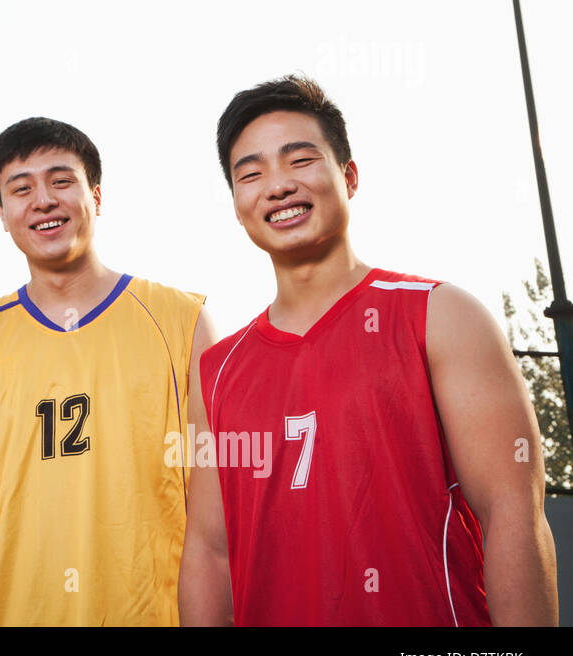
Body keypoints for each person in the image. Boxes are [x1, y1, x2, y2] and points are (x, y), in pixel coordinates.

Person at [179, 75, 559, 626]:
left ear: (349, 176)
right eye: (252, 173)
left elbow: (512, 515)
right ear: (238, 204)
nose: (278, 185)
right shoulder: (217, 370)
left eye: (300, 160)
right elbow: (212, 552)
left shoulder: (441, 315)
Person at [0, 117, 214, 626]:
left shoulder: (182, 320)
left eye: (61, 181)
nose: (43, 200)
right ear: (1, 212)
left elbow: (214, 516)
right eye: (21, 189)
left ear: (96, 196)